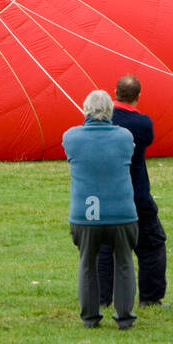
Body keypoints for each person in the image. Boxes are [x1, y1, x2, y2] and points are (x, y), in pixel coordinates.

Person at [64, 89, 138, 329]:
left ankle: (90, 317)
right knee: (125, 263)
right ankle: (125, 317)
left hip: (85, 216)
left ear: (86, 110)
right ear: (110, 111)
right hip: (122, 214)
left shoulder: (71, 137)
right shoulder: (125, 137)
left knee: (87, 265)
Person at [98, 75, 167, 307]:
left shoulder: (100, 122)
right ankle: (150, 297)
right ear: (139, 96)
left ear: (114, 92)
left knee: (106, 247)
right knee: (151, 244)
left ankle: (102, 299)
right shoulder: (142, 124)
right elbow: (146, 138)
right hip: (136, 195)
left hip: (106, 196)